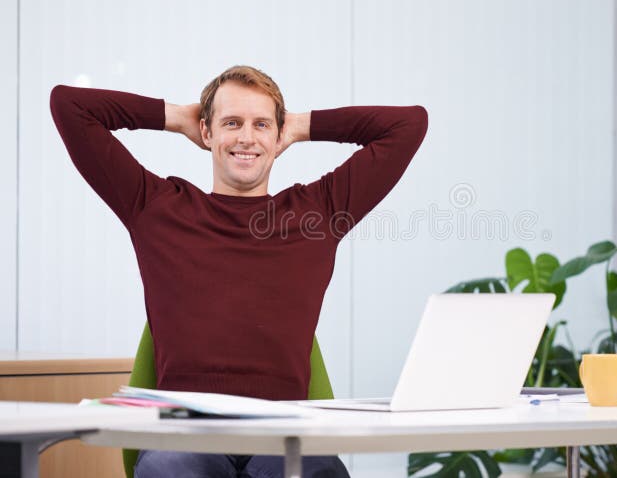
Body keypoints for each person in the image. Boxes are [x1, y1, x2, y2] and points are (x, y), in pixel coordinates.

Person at [49, 65, 428, 477]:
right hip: (187, 438)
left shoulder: (319, 213)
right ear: (207, 132)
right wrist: (177, 117)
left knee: (318, 472)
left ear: (277, 135)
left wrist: (297, 126)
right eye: (232, 123)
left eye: (261, 124)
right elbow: (70, 106)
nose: (247, 137)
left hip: (283, 437)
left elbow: (408, 124)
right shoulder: (156, 208)